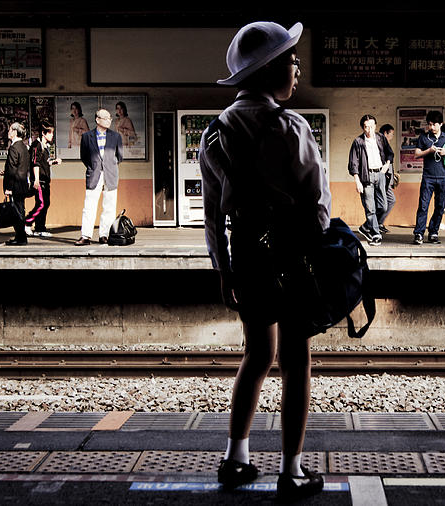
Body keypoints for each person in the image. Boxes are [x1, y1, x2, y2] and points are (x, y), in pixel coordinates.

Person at [201, 20, 329, 501]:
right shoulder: (291, 126)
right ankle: (292, 470)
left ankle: (236, 458)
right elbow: (318, 205)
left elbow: (214, 213)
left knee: (257, 354)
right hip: (293, 255)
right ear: (273, 70)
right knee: (296, 360)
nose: (297, 69)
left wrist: (223, 268)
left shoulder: (215, 133)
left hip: (247, 254)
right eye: (292, 61)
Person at [74, 108, 123, 246]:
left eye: (110, 118)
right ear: (97, 120)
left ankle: (104, 235)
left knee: (109, 206)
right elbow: (84, 157)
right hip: (94, 174)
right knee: (89, 206)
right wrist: (93, 167)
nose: (109, 120)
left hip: (111, 174)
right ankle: (86, 236)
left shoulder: (116, 136)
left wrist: (109, 166)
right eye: (106, 118)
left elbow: (119, 157)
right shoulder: (86, 136)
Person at [348, 114, 393, 246]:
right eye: (366, 127)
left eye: (371, 127)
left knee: (384, 206)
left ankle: (366, 226)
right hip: (366, 176)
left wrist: (387, 164)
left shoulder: (380, 138)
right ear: (363, 127)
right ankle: (375, 234)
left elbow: (390, 153)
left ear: (375, 126)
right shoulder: (358, 142)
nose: (369, 130)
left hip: (380, 174)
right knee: (370, 208)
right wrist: (357, 181)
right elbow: (353, 163)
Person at [412, 110, 445, 245]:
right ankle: (418, 234)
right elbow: (417, 154)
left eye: (434, 124)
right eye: (430, 125)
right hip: (428, 177)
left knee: (440, 206)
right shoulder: (424, 137)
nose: (432, 127)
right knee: (423, 206)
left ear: (440, 124)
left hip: (443, 177)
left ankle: (433, 232)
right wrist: (429, 151)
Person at [24, 121, 62, 237]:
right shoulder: (37, 145)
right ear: (43, 133)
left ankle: (40, 228)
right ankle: (27, 222)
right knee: (41, 204)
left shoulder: (45, 147)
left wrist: (54, 162)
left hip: (45, 179)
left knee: (46, 203)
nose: (52, 135)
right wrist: (36, 180)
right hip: (39, 180)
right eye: (50, 133)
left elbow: (44, 163)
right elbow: (35, 163)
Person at [0, 122, 31, 246]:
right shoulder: (23, 147)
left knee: (17, 212)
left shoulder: (13, 147)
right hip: (22, 184)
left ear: (14, 132)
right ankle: (20, 236)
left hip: (15, 185)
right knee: (20, 210)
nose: (8, 132)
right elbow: (20, 166)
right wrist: (6, 171)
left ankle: (20, 238)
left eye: (9, 130)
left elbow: (13, 169)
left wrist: (8, 187)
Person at [378, 123, 398, 233]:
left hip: (387, 179)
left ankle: (377, 223)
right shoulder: (381, 144)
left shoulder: (385, 144)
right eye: (391, 134)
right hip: (383, 179)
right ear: (385, 133)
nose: (392, 136)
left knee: (385, 202)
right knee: (389, 201)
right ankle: (377, 223)